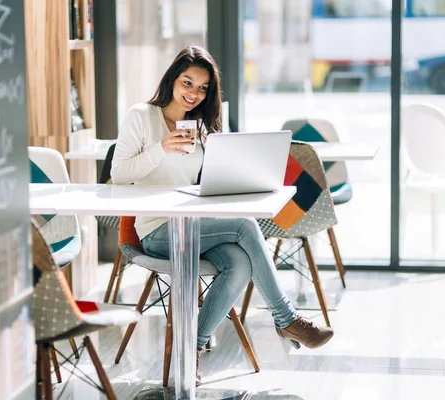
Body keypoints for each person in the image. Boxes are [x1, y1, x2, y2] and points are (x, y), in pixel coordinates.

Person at [111, 45, 333, 385]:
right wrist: (161, 148)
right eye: (187, 83)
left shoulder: (199, 126)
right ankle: (286, 319)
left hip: (192, 225)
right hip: (156, 230)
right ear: (172, 80)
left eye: (202, 88)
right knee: (245, 227)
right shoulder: (141, 116)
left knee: (240, 263)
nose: (193, 94)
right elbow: (121, 173)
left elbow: (207, 178)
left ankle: (190, 354)